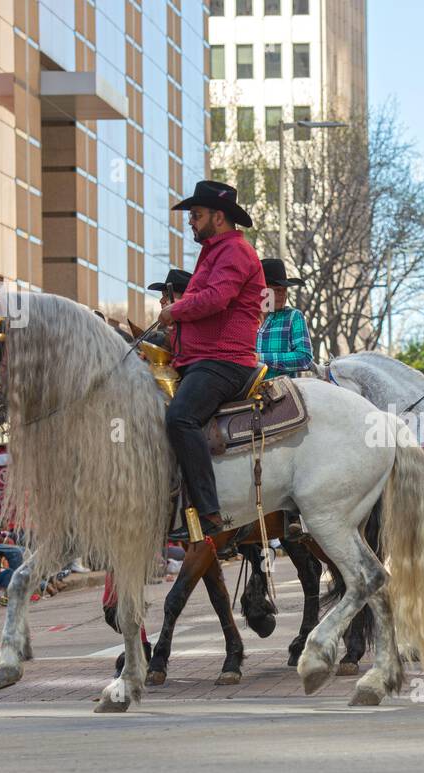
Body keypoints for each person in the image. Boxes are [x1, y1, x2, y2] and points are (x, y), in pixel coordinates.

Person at [158, 180, 265, 542]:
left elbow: (217, 298)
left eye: (197, 215)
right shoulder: (213, 251)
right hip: (201, 360)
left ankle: (208, 513)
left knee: (181, 417)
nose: (191, 221)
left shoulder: (235, 251)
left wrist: (175, 310)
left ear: (218, 217)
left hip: (224, 360)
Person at [256, 259, 314, 377]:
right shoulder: (244, 319)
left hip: (280, 392)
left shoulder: (293, 317)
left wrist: (259, 358)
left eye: (285, 290)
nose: (283, 295)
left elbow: (304, 357)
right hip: (243, 389)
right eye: (277, 290)